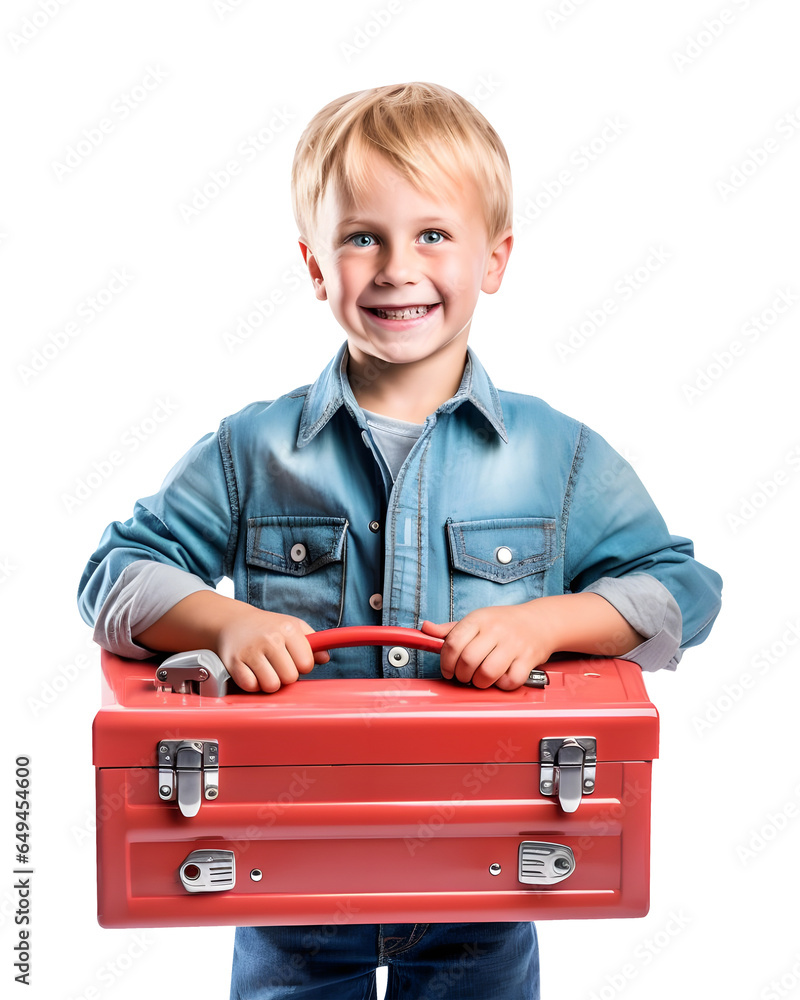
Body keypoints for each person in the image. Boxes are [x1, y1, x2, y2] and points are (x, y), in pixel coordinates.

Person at [78, 81, 722, 1000]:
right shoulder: (249, 449)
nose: (394, 266)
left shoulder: (559, 454)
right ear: (313, 265)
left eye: (432, 234)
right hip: (286, 872)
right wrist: (221, 622)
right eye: (360, 236)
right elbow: (111, 576)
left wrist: (550, 620)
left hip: (489, 874)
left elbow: (682, 590)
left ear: (494, 259)